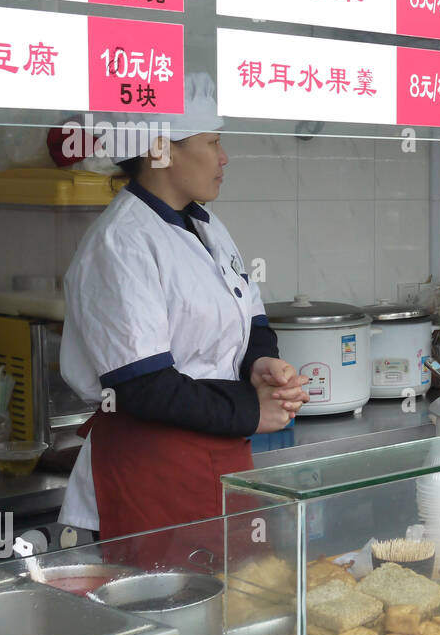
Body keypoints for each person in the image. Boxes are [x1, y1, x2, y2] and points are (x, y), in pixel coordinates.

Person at [59, 73, 307, 545]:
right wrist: (251, 410)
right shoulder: (121, 243)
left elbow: (251, 319)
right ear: (161, 149)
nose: (224, 156)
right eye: (212, 141)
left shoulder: (206, 225)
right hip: (150, 469)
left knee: (238, 604)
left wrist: (263, 366)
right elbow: (144, 387)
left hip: (220, 453)